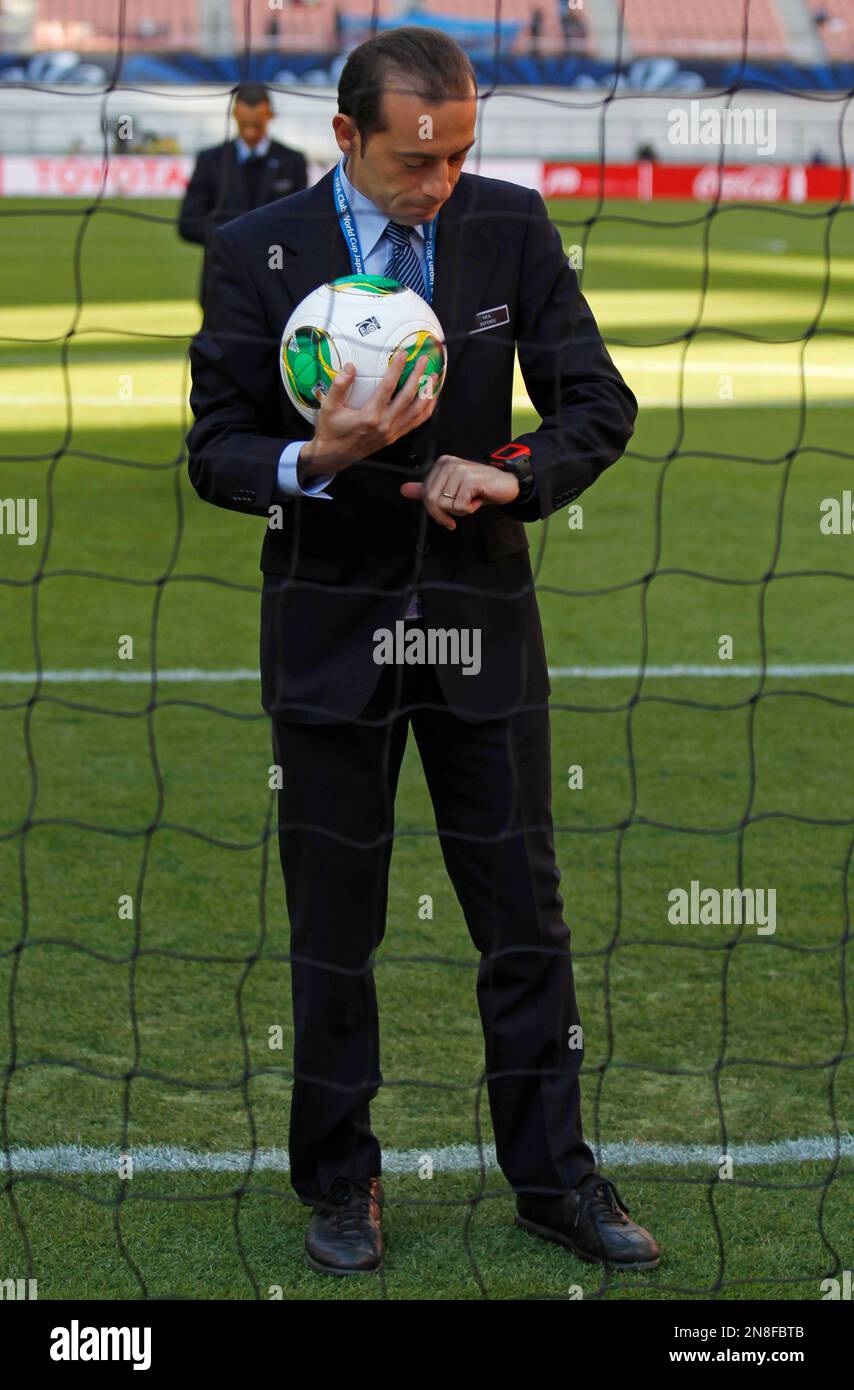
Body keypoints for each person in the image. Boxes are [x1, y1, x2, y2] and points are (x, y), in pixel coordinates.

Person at [186, 26, 661, 1279]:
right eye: (414, 160)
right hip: (327, 633)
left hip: (479, 630)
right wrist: (314, 463)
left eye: (458, 155)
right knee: (333, 931)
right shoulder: (255, 251)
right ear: (346, 137)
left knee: (525, 921)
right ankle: (341, 1180)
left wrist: (509, 475)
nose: (439, 182)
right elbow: (216, 447)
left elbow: (595, 403)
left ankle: (554, 1181)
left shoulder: (509, 224)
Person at [178, 82, 308, 308]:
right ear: (235, 115)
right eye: (244, 123)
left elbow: (302, 223)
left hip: (275, 280)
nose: (250, 130)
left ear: (270, 115)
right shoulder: (211, 161)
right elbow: (188, 223)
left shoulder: (292, 161)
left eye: (256, 124)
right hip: (222, 282)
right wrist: (229, 238)